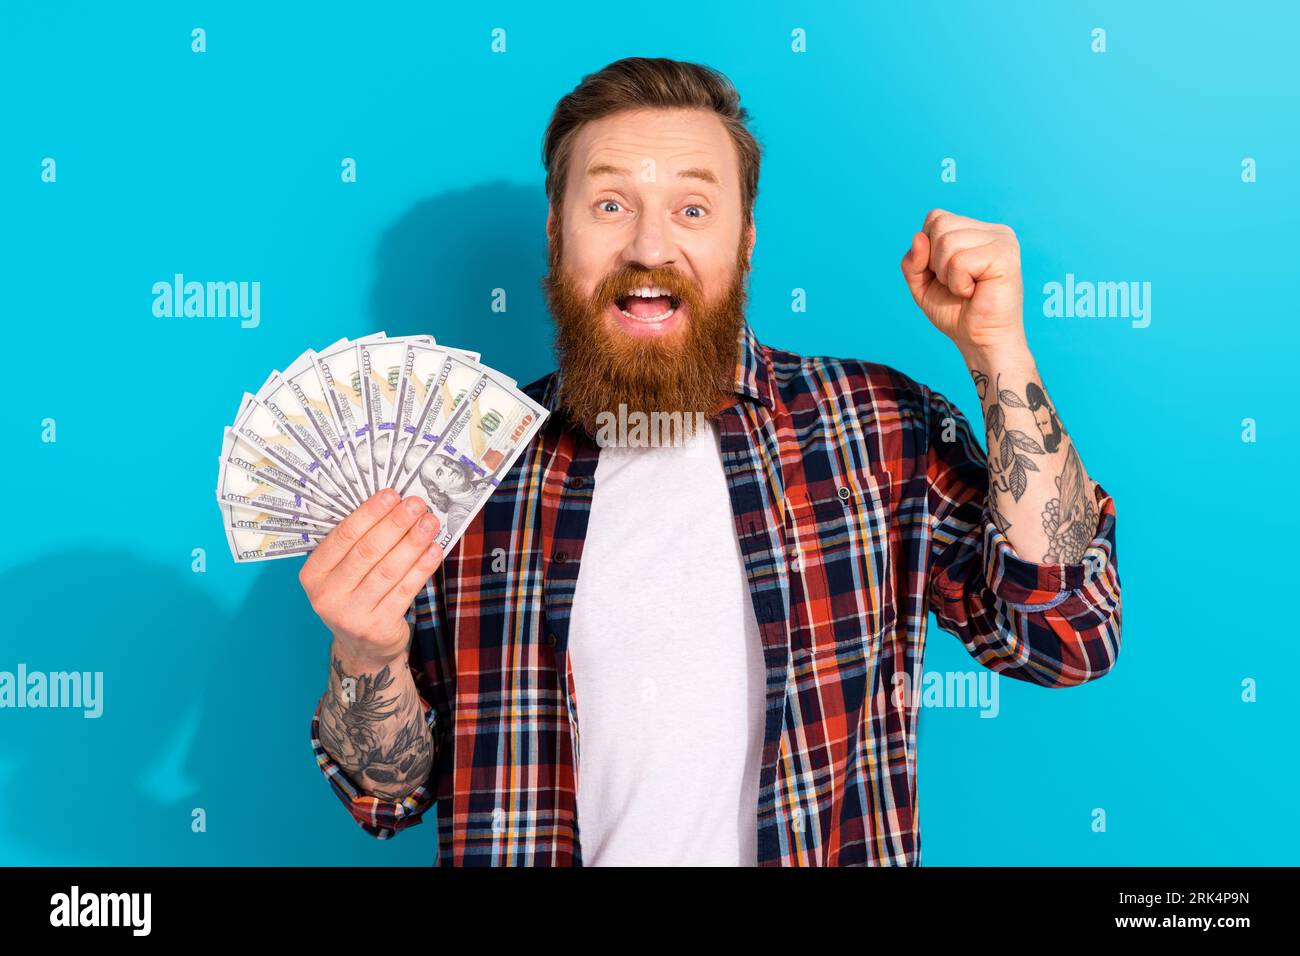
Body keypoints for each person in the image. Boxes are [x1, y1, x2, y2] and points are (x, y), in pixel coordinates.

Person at [299, 57, 1122, 866]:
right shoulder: (465, 468)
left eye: (693, 208)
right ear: (556, 234)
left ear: (746, 241)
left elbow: (1065, 635)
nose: (650, 245)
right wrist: (364, 656)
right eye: (611, 202)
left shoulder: (875, 429)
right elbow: (390, 794)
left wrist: (999, 350)